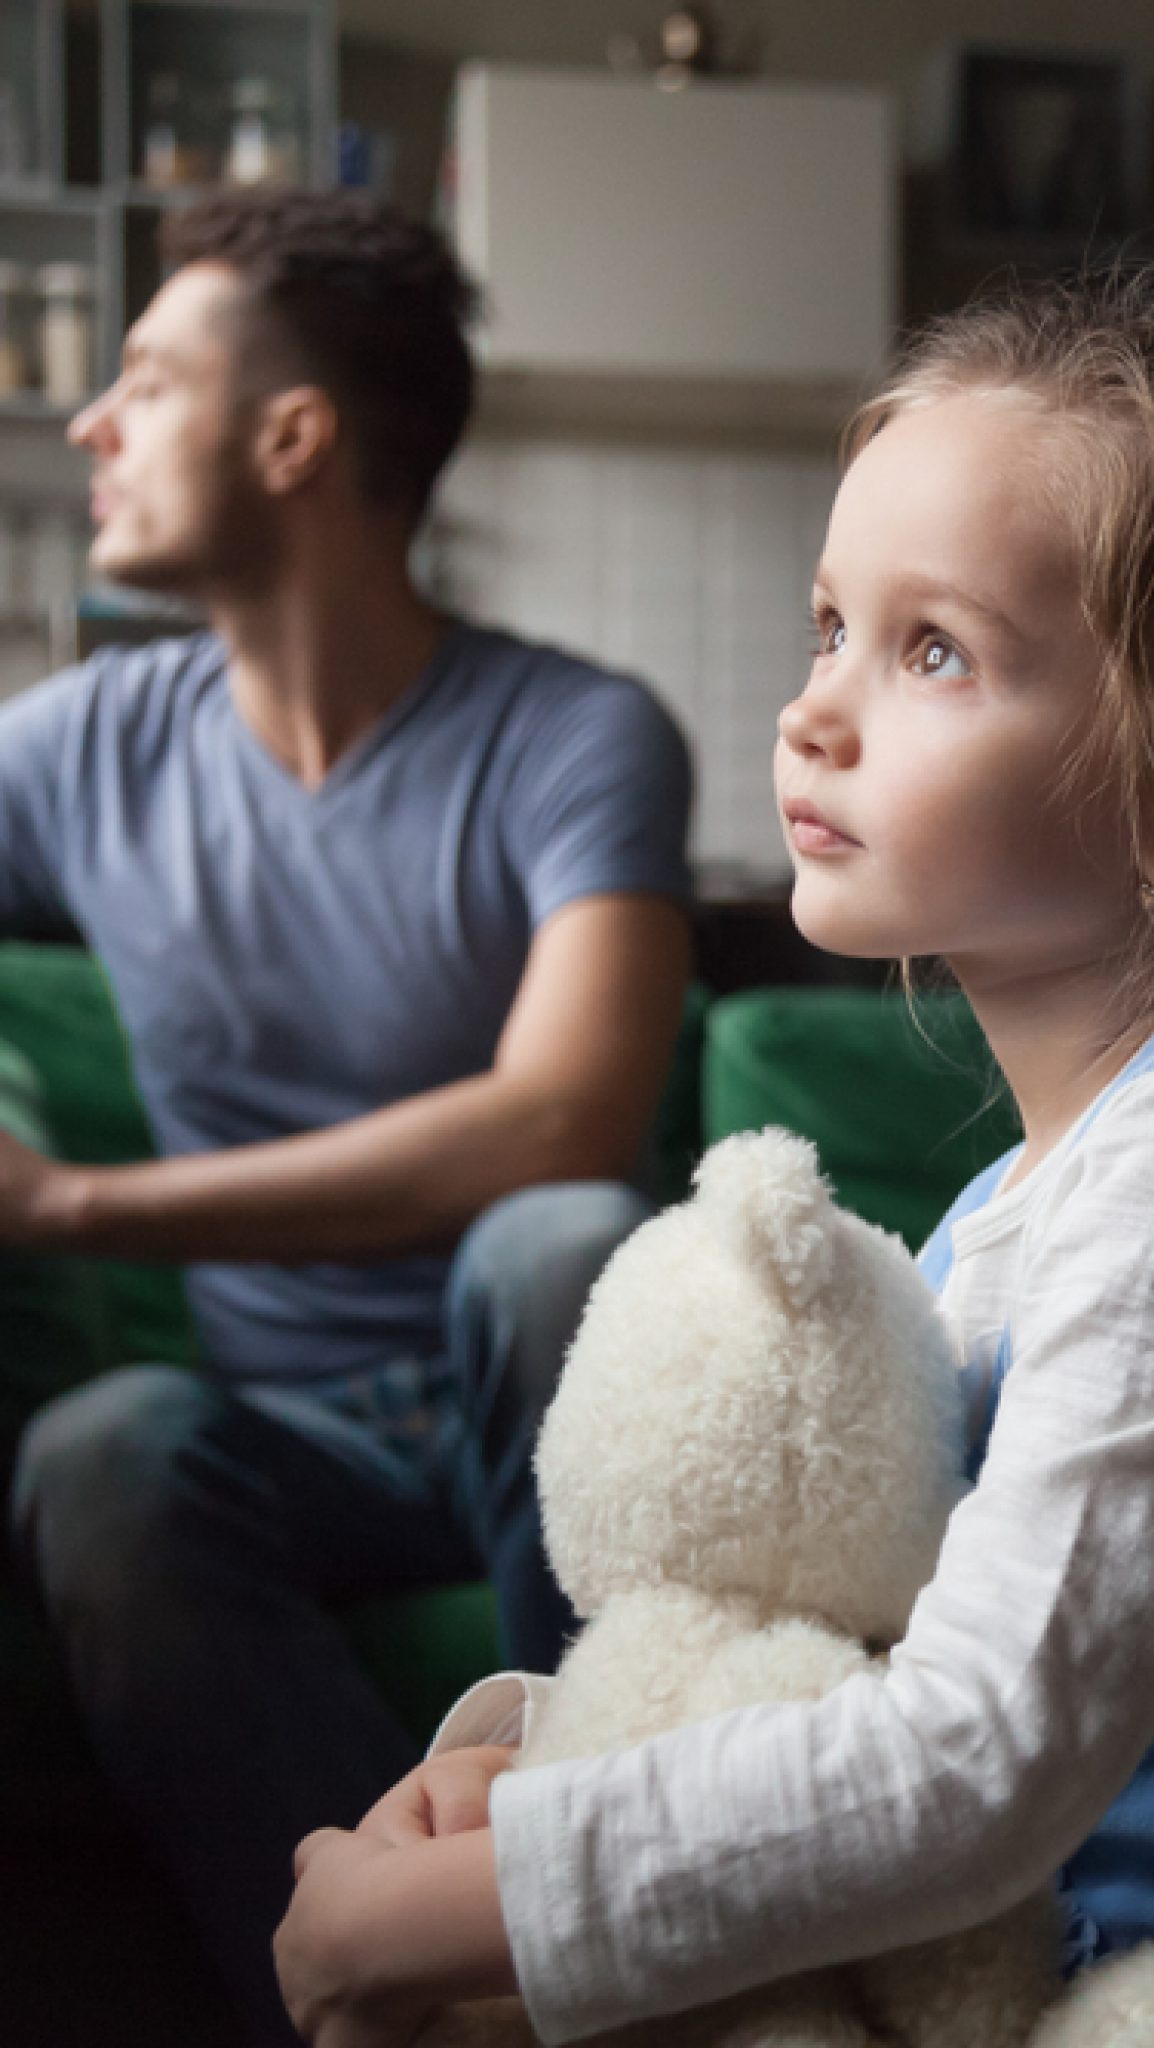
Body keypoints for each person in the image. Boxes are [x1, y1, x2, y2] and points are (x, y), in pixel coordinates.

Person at [273, 274, 1154, 2048]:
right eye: (828, 628)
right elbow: (860, 1661)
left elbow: (978, 1759)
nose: (815, 711)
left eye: (933, 649)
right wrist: (520, 1775)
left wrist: (453, 1906)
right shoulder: (1009, 1220)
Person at [3, 187, 695, 2043]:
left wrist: (72, 1205)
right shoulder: (81, 750)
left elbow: (561, 1121)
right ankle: (401, 2004)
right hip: (286, 1439)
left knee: (561, 1245)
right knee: (102, 1448)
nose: (94, 421)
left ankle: (602, 1921)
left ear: (293, 438)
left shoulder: (574, 735)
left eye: (146, 380)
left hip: (528, 1402)